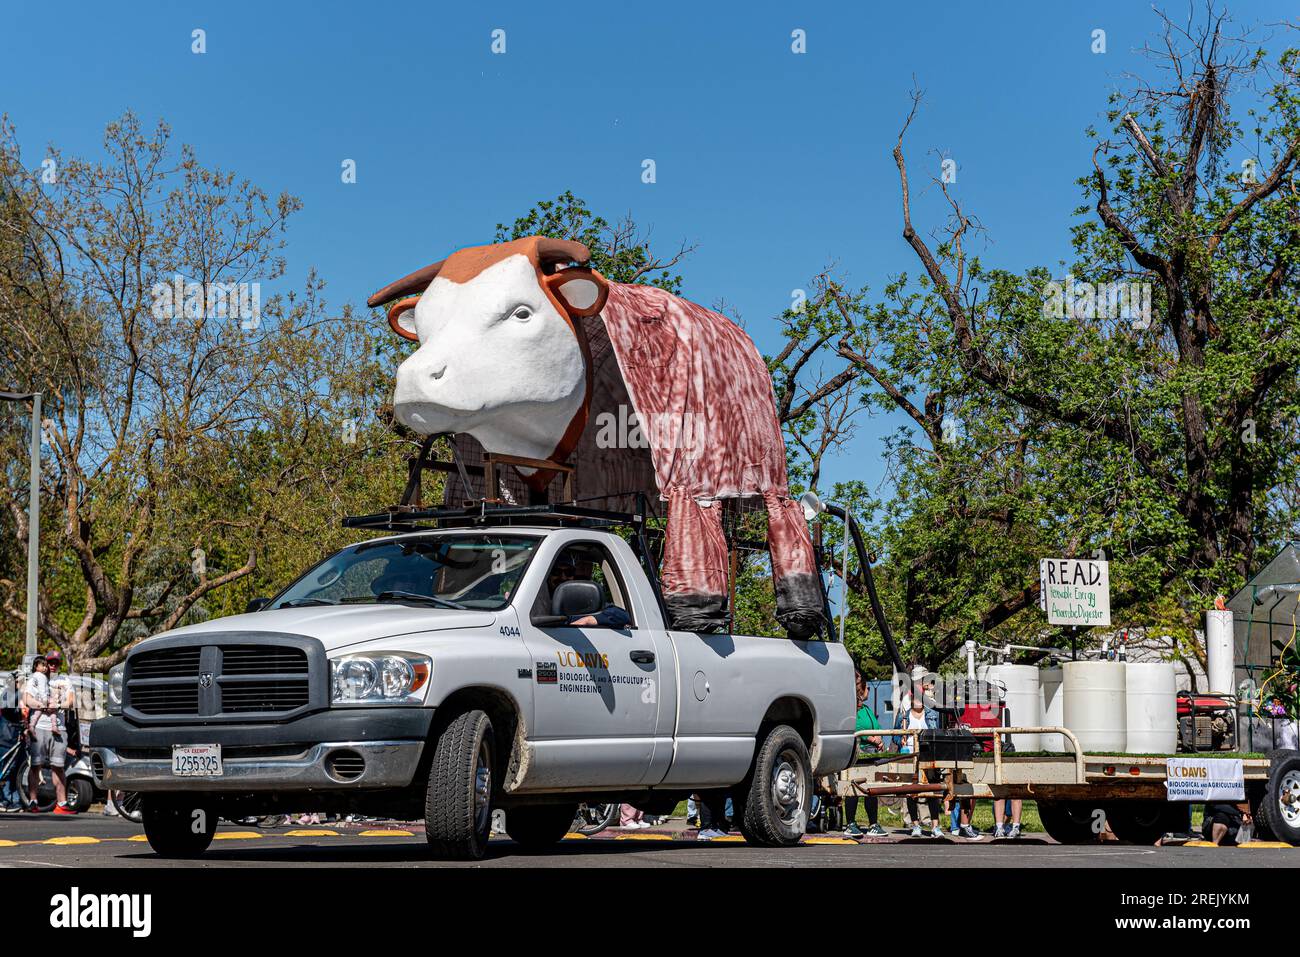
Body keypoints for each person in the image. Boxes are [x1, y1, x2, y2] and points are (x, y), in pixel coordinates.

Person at [22, 655, 75, 815]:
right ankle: (33, 802)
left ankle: (62, 803)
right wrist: (41, 705)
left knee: (58, 767)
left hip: (58, 729)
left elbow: (71, 702)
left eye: (55, 662)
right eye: (49, 662)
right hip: (39, 727)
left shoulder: (65, 680)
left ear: (59, 665)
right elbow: (26, 698)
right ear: (43, 665)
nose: (52, 665)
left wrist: (57, 705)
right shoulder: (35, 679)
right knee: (35, 765)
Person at [896, 671, 943, 838]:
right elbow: (895, 734)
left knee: (932, 790)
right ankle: (915, 825)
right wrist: (899, 737)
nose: (917, 700)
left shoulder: (932, 715)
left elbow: (938, 734)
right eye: (914, 697)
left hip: (928, 756)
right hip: (909, 755)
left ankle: (935, 826)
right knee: (911, 791)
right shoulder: (904, 716)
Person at [844, 672, 886, 838]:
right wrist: (871, 738)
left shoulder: (867, 709)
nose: (869, 690)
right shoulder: (851, 709)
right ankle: (850, 824)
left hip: (872, 753)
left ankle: (873, 823)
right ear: (860, 691)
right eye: (867, 688)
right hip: (858, 752)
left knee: (872, 789)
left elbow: (875, 726)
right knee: (853, 787)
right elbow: (852, 727)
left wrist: (880, 740)